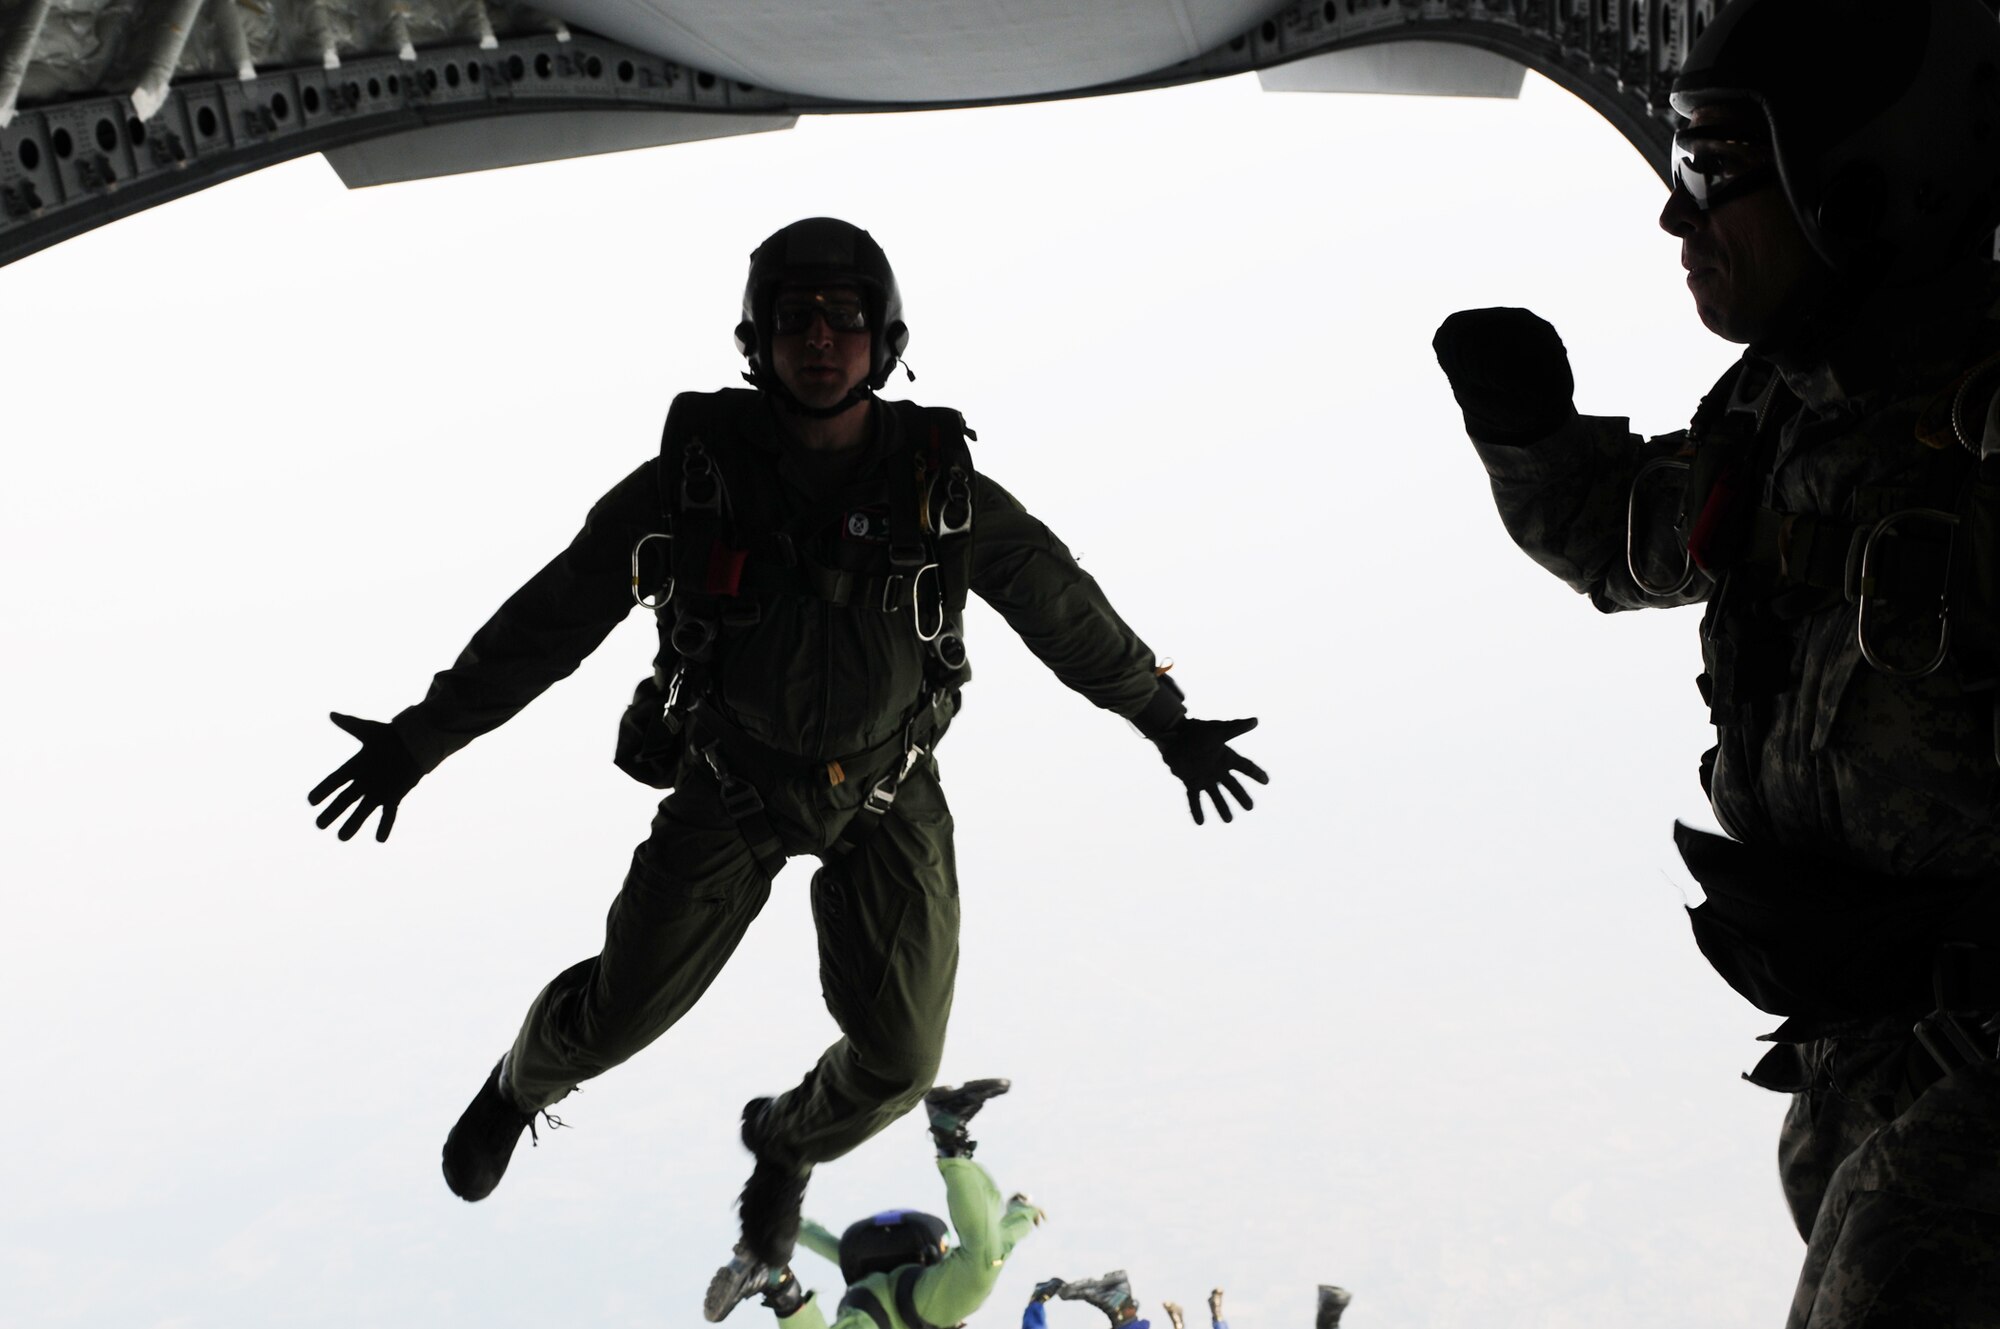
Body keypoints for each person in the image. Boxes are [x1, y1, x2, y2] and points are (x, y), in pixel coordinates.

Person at [307, 216, 1267, 1268]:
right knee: (615, 1015)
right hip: (731, 782)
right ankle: (519, 1086)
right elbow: (549, 623)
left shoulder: (935, 493)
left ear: (885, 342)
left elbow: (1061, 609)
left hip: (888, 791)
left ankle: (785, 1140)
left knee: (902, 1058)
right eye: (794, 319)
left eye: (845, 318)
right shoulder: (689, 487)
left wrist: (1166, 725)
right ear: (753, 340)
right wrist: (418, 742)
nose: (819, 339)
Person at [1432, 1, 2000, 1322]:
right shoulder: (1785, 414)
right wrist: (1529, 435)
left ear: (1862, 188)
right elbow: (1624, 534)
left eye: (1714, 176)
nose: (1680, 225)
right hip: (1879, 1026)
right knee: (1838, 1198)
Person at [703, 1077, 1041, 1326]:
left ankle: (773, 1274)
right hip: (916, 1298)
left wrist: (1022, 1214)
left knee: (984, 1263)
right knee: (984, 1263)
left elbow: (997, 1246)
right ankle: (950, 1138)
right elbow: (994, 1248)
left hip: (886, 1292)